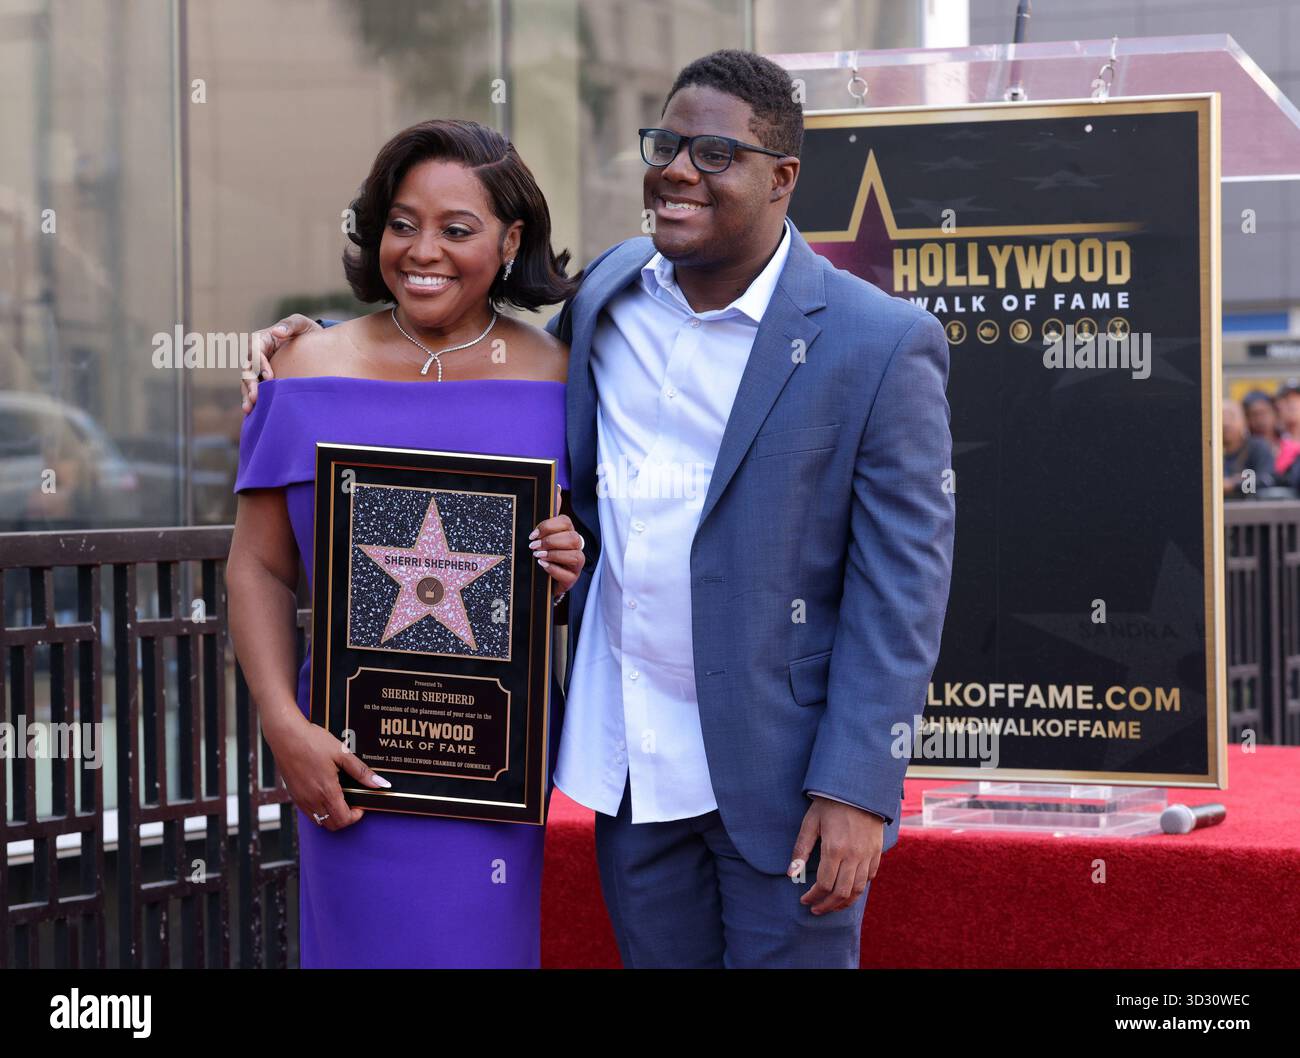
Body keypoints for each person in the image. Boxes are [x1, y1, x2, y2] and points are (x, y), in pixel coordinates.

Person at [245, 50, 954, 970]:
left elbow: (903, 590)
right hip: (629, 775)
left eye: (713, 153)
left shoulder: (881, 343)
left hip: (781, 785)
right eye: (665, 144)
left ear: (782, 178)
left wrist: (858, 789)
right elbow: (475, 385)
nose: (677, 171)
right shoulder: (610, 296)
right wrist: (312, 342)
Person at [226, 119, 585, 968]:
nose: (423, 250)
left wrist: (573, 566)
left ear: (511, 239)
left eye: (457, 229)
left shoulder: (567, 379)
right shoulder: (305, 367)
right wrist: (284, 727)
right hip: (351, 766)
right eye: (402, 223)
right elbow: (262, 567)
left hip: (505, 768)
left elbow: (609, 558)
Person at [1242, 388, 1300, 477]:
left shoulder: (1292, 446)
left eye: (1264, 413)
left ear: (1275, 413)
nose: (1260, 420)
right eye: (1254, 414)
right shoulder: (1242, 451)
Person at [1224, 397, 1275, 496]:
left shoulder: (1257, 447)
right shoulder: (1209, 452)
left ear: (1244, 420)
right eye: (1221, 418)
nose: (1226, 423)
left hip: (1251, 508)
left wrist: (1233, 484)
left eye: (1231, 417)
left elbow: (1266, 481)